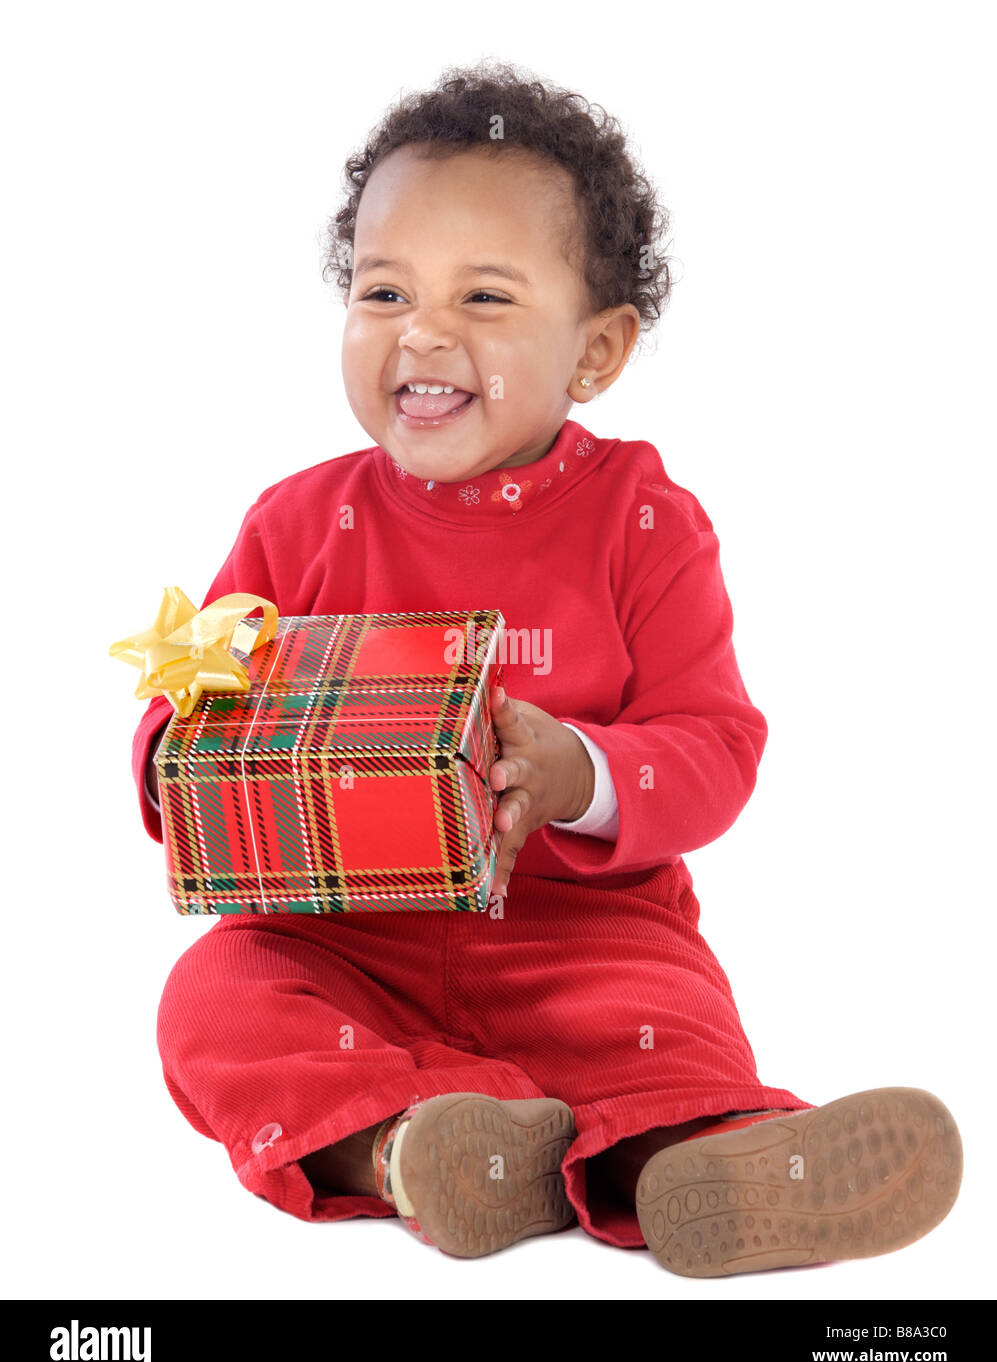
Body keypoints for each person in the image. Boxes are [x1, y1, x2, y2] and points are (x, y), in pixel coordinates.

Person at [131, 61, 961, 1276]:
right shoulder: (295, 523)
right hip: (349, 947)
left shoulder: (643, 520)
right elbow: (192, 705)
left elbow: (715, 745)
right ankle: (419, 1147)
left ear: (596, 351)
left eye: (483, 296)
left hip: (583, 938)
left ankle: (694, 1161)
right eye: (383, 291)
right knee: (216, 997)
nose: (422, 332)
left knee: (662, 1025)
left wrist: (580, 771)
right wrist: (179, 757)